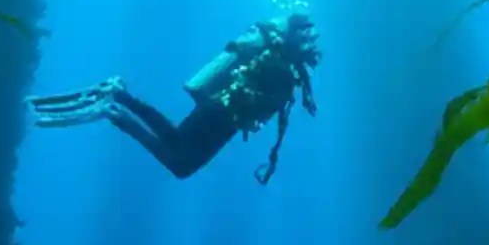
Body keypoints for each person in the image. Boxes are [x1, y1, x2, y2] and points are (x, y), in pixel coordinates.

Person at [25, 13, 321, 184]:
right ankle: (114, 108)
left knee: (175, 144)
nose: (310, 45)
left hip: (217, 107)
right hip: (223, 115)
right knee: (179, 162)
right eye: (307, 38)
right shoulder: (285, 70)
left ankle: (118, 97)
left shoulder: (277, 60)